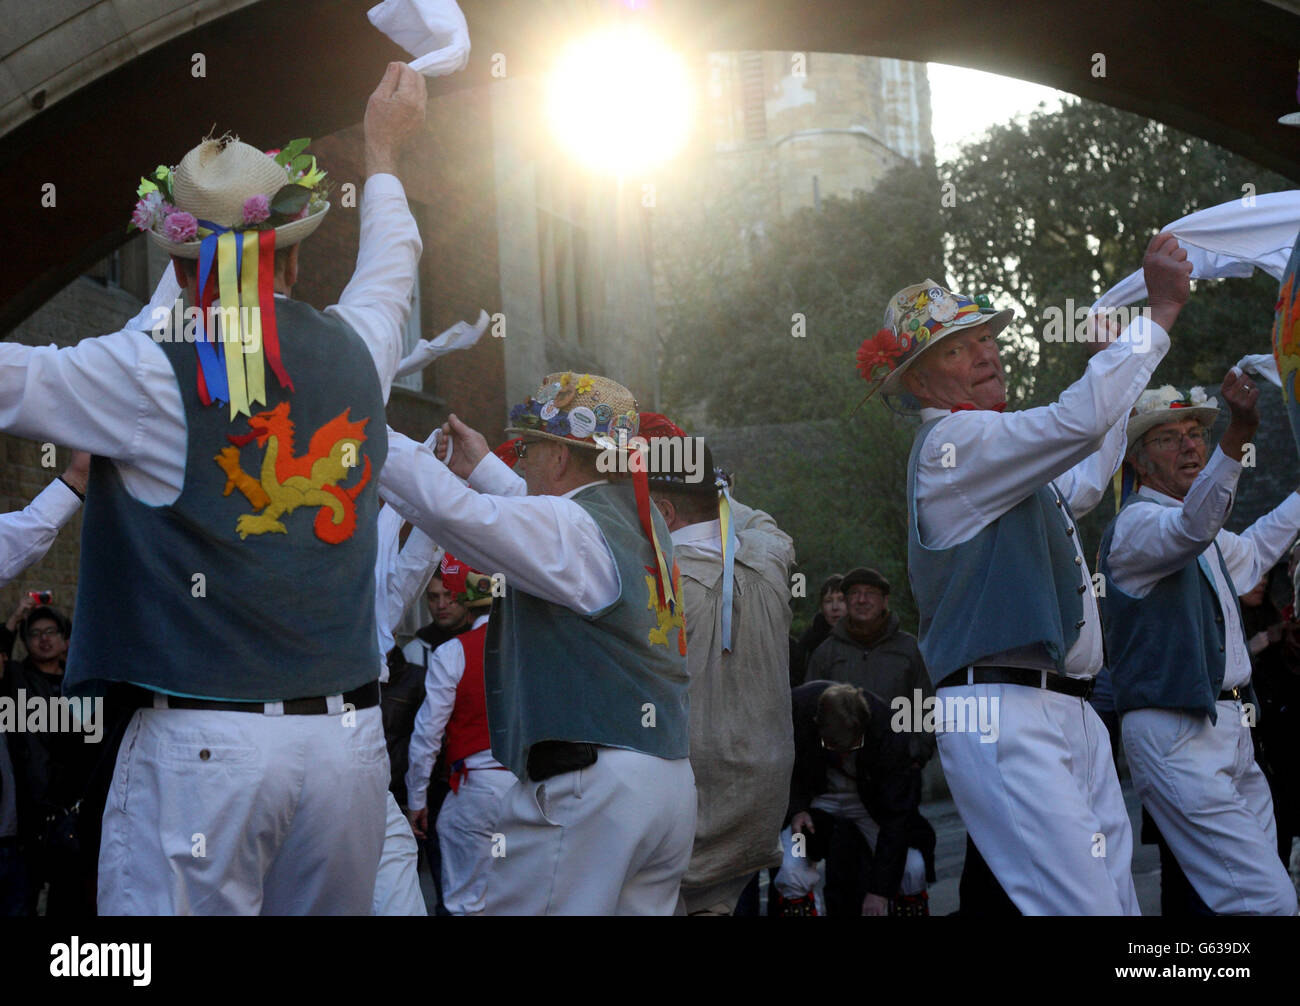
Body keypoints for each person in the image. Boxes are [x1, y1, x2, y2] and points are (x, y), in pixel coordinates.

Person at [0, 63, 427, 914]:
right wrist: (384, 150)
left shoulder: (144, 368)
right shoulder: (362, 347)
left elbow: (13, 383)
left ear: (182, 264)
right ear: (296, 261)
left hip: (203, 755)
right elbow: (394, 261)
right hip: (346, 754)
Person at [857, 234, 1192, 914]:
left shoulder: (989, 457)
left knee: (1115, 906)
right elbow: (1077, 420)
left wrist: (1116, 388)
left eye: (986, 337)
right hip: (1003, 707)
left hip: (1060, 705)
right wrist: (1156, 315)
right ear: (918, 380)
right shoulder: (953, 444)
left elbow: (1083, 479)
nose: (987, 351)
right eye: (960, 346)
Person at [378, 373, 694, 914]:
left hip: (591, 788)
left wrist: (357, 422)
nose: (520, 460)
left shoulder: (574, 526)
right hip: (663, 781)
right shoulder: (635, 522)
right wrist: (480, 468)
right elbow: (536, 526)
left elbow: (464, 518)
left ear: (561, 456)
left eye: (527, 448)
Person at [1098, 376, 1300, 915]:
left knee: (1251, 901)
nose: (1191, 444)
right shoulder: (1137, 526)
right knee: (1268, 904)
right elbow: (1194, 527)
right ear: (1139, 462)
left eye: (1196, 433)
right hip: (1176, 729)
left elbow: (1254, 553)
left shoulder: (1190, 526)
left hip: (1229, 725)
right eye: (1170, 437)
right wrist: (1239, 434)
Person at [644, 424, 796, 916]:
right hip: (760, 808)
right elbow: (761, 521)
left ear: (664, 512)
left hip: (694, 811)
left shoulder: (656, 588)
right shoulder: (771, 556)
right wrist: (716, 488)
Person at [405, 554, 514, 915]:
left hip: (475, 793)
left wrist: (417, 798)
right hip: (532, 792)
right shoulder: (534, 650)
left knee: (466, 903)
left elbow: (427, 732)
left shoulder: (453, 651)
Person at [774, 682, 930, 916]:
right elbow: (784, 767)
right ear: (817, 725)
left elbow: (896, 818)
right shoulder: (796, 711)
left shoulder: (890, 733)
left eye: (852, 746)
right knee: (791, 869)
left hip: (871, 805)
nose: (844, 754)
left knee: (912, 868)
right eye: (834, 747)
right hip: (815, 803)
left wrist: (879, 891)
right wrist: (797, 808)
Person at [806, 566, 934, 768]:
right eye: (854, 594)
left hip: (897, 768)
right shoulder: (825, 653)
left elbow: (926, 704)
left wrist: (917, 752)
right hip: (839, 771)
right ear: (847, 601)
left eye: (870, 594)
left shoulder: (910, 649)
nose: (862, 600)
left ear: (885, 601)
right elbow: (810, 709)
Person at [791, 575, 844, 687]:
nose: (835, 607)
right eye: (828, 601)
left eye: (841, 600)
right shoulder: (808, 645)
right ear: (822, 607)